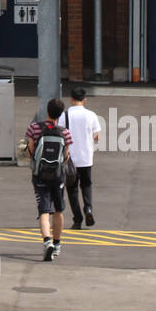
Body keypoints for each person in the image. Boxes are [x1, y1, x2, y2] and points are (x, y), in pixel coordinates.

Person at [25, 98, 73, 261]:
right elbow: (66, 157)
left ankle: (47, 242)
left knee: (44, 211)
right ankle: (57, 244)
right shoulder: (64, 132)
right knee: (58, 211)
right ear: (60, 114)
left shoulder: (34, 128)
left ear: (47, 110)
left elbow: (30, 151)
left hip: (40, 174)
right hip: (58, 176)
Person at [63, 87, 102, 230]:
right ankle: (88, 209)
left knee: (72, 189)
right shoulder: (91, 115)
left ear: (71, 99)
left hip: (70, 159)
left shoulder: (64, 116)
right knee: (86, 185)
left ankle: (77, 219)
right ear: (84, 99)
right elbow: (96, 136)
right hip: (86, 157)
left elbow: (60, 134)